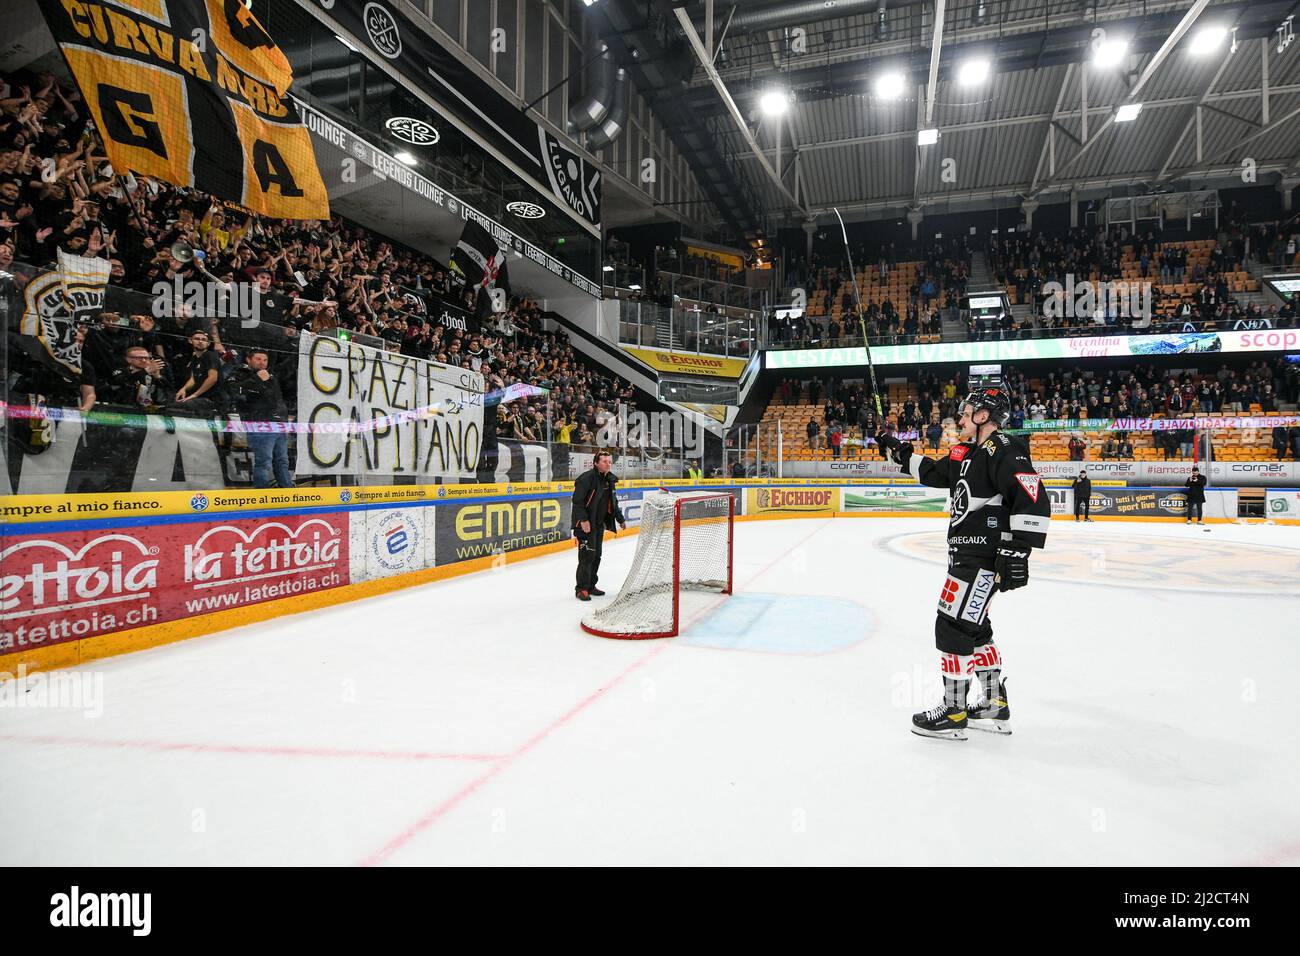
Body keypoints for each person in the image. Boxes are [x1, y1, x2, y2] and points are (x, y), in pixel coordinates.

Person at [877, 387, 1050, 740]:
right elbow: (933, 473)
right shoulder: (965, 453)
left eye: (967, 411)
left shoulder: (1003, 449)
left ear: (983, 416)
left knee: (952, 626)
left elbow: (1031, 495)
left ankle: (954, 711)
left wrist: (1018, 549)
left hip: (982, 557)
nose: (960, 417)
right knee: (974, 627)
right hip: (967, 554)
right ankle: (993, 703)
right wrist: (900, 451)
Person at [229, 348, 291, 488]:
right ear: (248, 360)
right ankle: (261, 493)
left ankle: (287, 492)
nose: (262, 363)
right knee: (264, 461)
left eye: (265, 360)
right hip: (259, 425)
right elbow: (234, 391)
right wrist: (257, 379)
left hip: (278, 424)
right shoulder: (240, 373)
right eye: (258, 359)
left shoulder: (271, 377)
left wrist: (284, 420)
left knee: (282, 461)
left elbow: (277, 400)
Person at [571, 451, 626, 601]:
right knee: (586, 557)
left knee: (596, 556)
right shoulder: (586, 479)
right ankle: (581, 588)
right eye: (604, 461)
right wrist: (583, 520)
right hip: (585, 525)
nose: (608, 464)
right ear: (596, 463)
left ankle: (590, 585)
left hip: (598, 525)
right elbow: (577, 501)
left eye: (609, 462)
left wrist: (620, 518)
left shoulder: (609, 480)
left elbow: (613, 502)